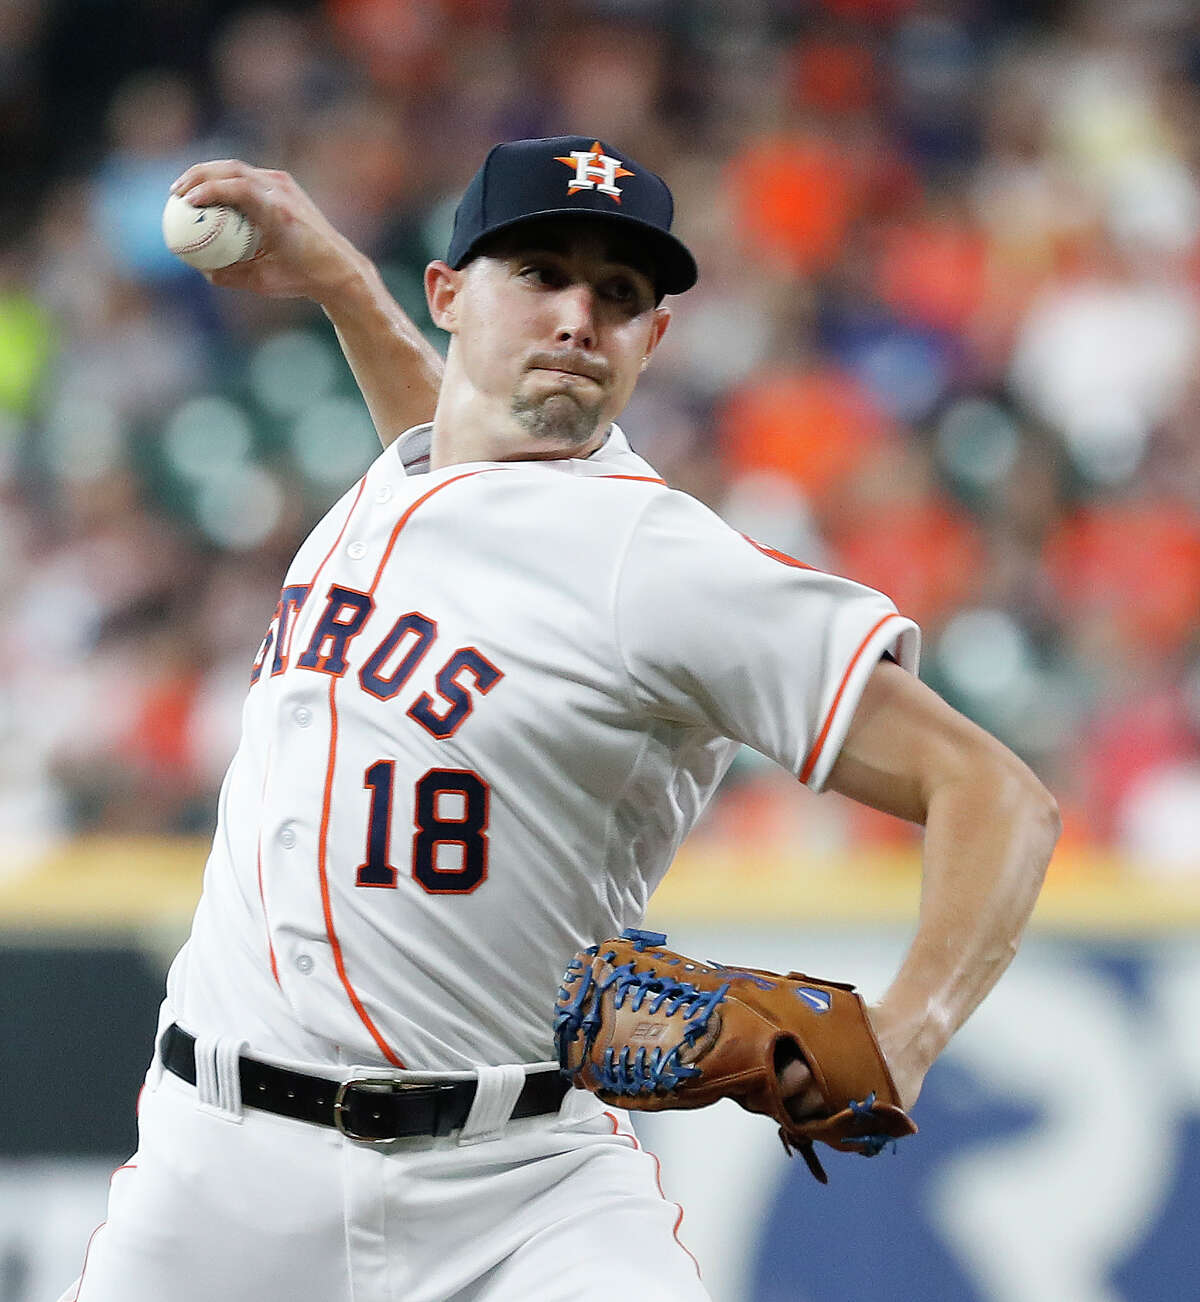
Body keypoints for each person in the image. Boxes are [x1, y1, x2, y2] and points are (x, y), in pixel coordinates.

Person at [59, 137, 1059, 1302]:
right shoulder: (409, 471)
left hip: (518, 1193)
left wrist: (908, 1033)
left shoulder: (660, 562)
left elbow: (995, 793)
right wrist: (338, 280)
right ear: (446, 296)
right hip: (217, 1174)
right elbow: (453, 457)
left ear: (654, 340)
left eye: (621, 295)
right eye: (539, 273)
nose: (579, 318)